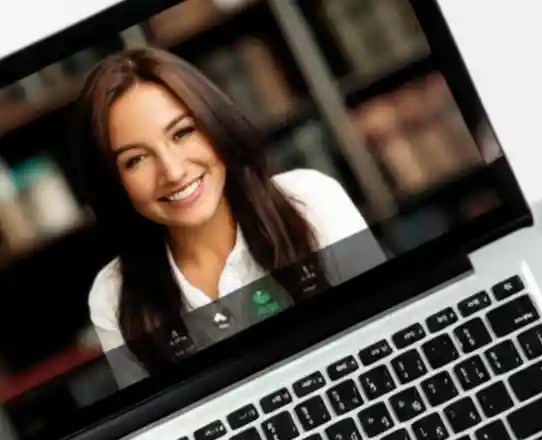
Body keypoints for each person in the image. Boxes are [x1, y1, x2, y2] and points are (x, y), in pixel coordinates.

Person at [76, 48, 380, 375]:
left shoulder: (308, 200)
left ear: (214, 123)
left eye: (183, 132)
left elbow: (386, 326)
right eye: (136, 159)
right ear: (113, 182)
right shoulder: (114, 294)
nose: (173, 171)